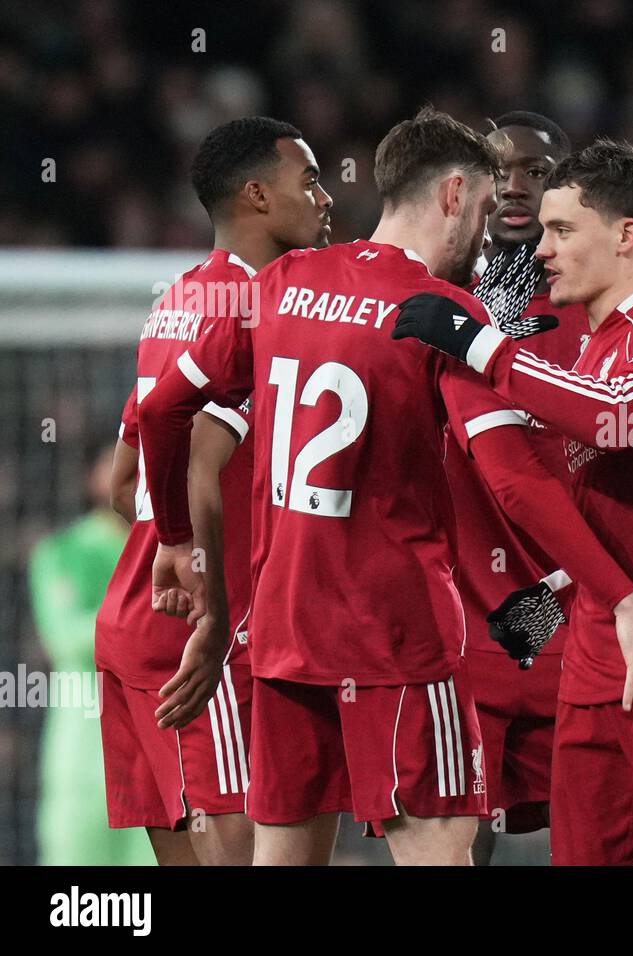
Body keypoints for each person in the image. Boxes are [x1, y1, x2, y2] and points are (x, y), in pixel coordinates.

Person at [136, 109, 633, 866]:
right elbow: (511, 478)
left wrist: (175, 541)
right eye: (484, 209)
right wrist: (616, 592)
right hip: (400, 636)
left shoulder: (283, 282)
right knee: (444, 846)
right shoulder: (442, 314)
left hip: (286, 634)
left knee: (282, 855)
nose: (488, 237)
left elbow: (160, 408)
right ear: (453, 196)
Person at [392, 139, 633, 866]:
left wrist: (483, 347)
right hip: (599, 661)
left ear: (627, 235)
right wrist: (562, 593)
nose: (541, 252)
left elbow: (612, 418)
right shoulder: (592, 353)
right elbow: (594, 509)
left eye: (563, 231)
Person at [94, 116, 332, 865]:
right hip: (204, 633)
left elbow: (120, 477)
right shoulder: (262, 313)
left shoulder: (178, 300)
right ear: (258, 197)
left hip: (133, 622)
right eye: (310, 181)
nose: (326, 198)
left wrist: (160, 542)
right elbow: (197, 454)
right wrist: (190, 557)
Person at [450, 110, 585, 864]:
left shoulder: (598, 310)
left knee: (596, 832)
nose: (514, 185)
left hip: (566, 615)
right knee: (459, 839)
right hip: (459, 625)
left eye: (536, 171)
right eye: (499, 169)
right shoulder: (437, 301)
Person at [29, 442, 154, 865]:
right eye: (120, 462)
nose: (135, 473)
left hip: (158, 754)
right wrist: (151, 621)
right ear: (92, 476)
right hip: (83, 756)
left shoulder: (173, 550)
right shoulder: (61, 552)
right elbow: (67, 638)